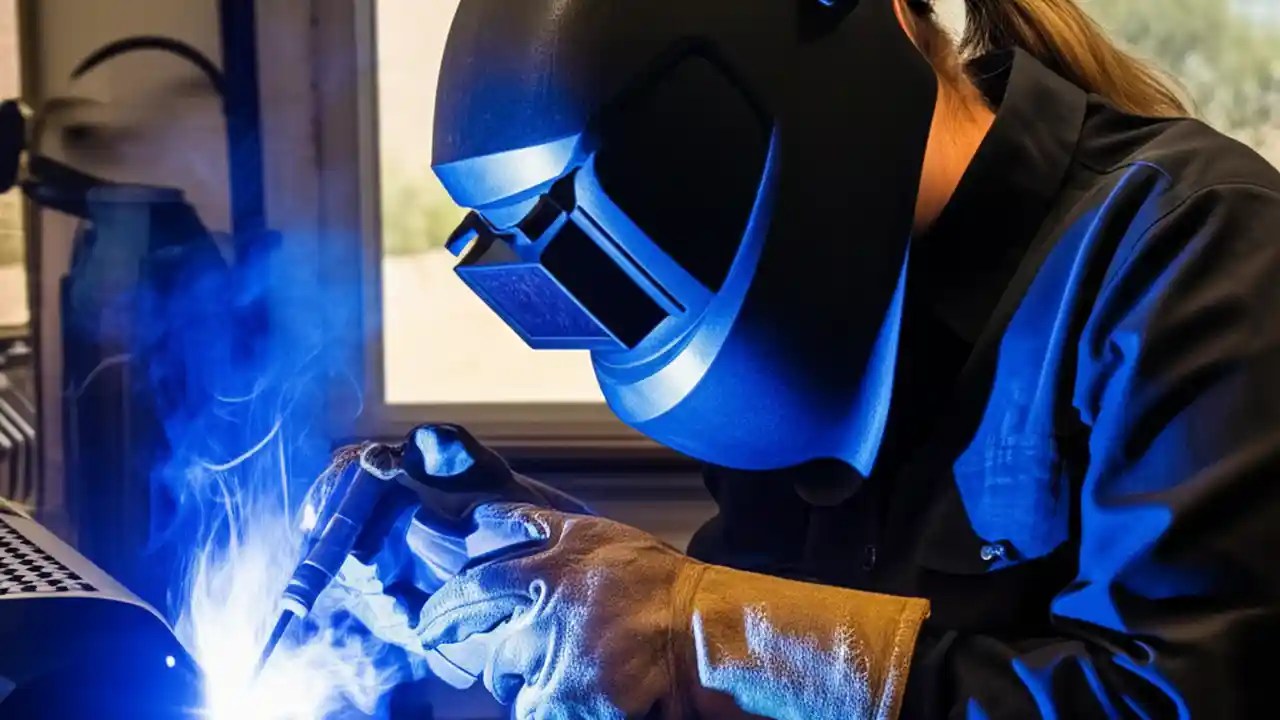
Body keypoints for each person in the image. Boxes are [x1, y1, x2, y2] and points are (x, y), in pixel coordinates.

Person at [369, 0, 1280, 717]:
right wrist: (544, 565)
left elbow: (1183, 699)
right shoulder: (800, 323)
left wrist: (706, 636)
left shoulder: (1186, 247)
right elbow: (735, 624)